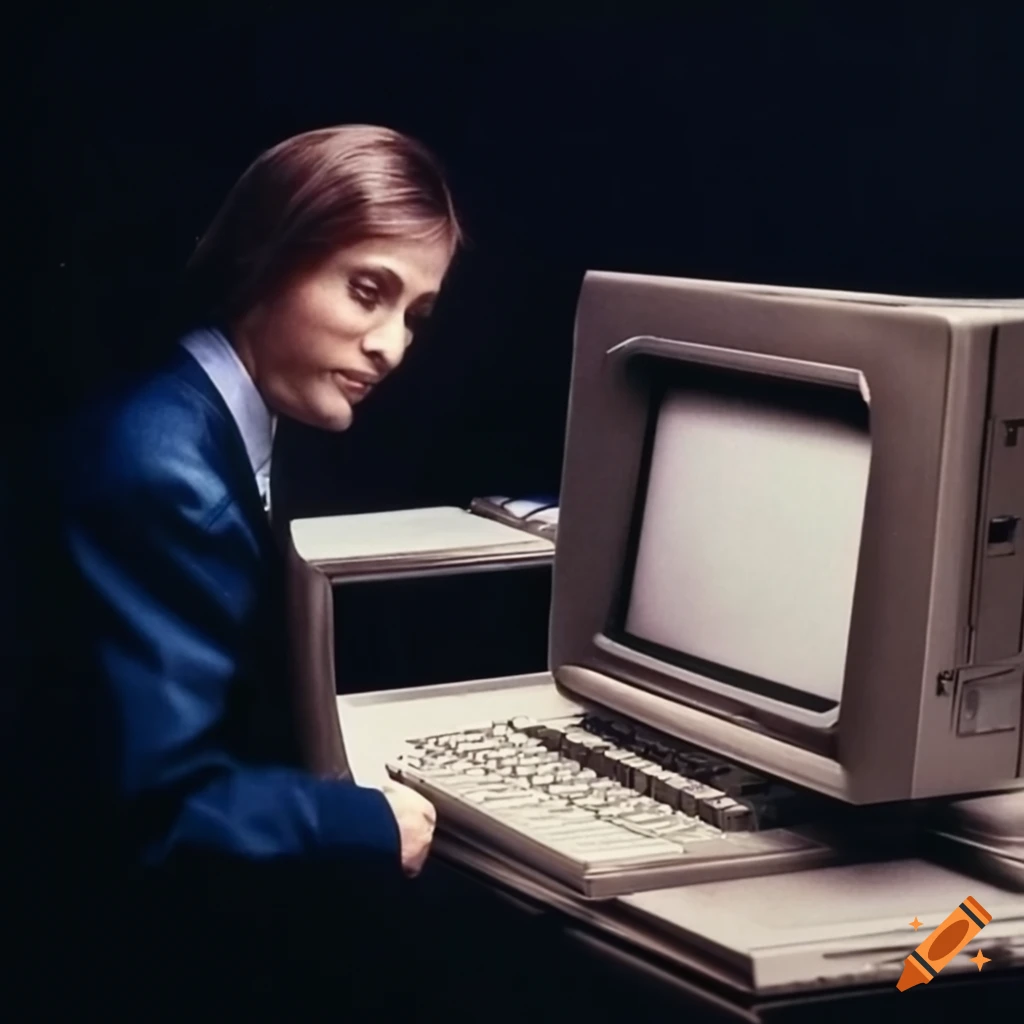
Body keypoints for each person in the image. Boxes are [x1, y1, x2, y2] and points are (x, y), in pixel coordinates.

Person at [11, 124, 465, 1017]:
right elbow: (163, 807)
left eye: (414, 314)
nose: (392, 347)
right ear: (266, 257)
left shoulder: (207, 417)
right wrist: (367, 821)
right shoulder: (166, 471)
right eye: (368, 291)